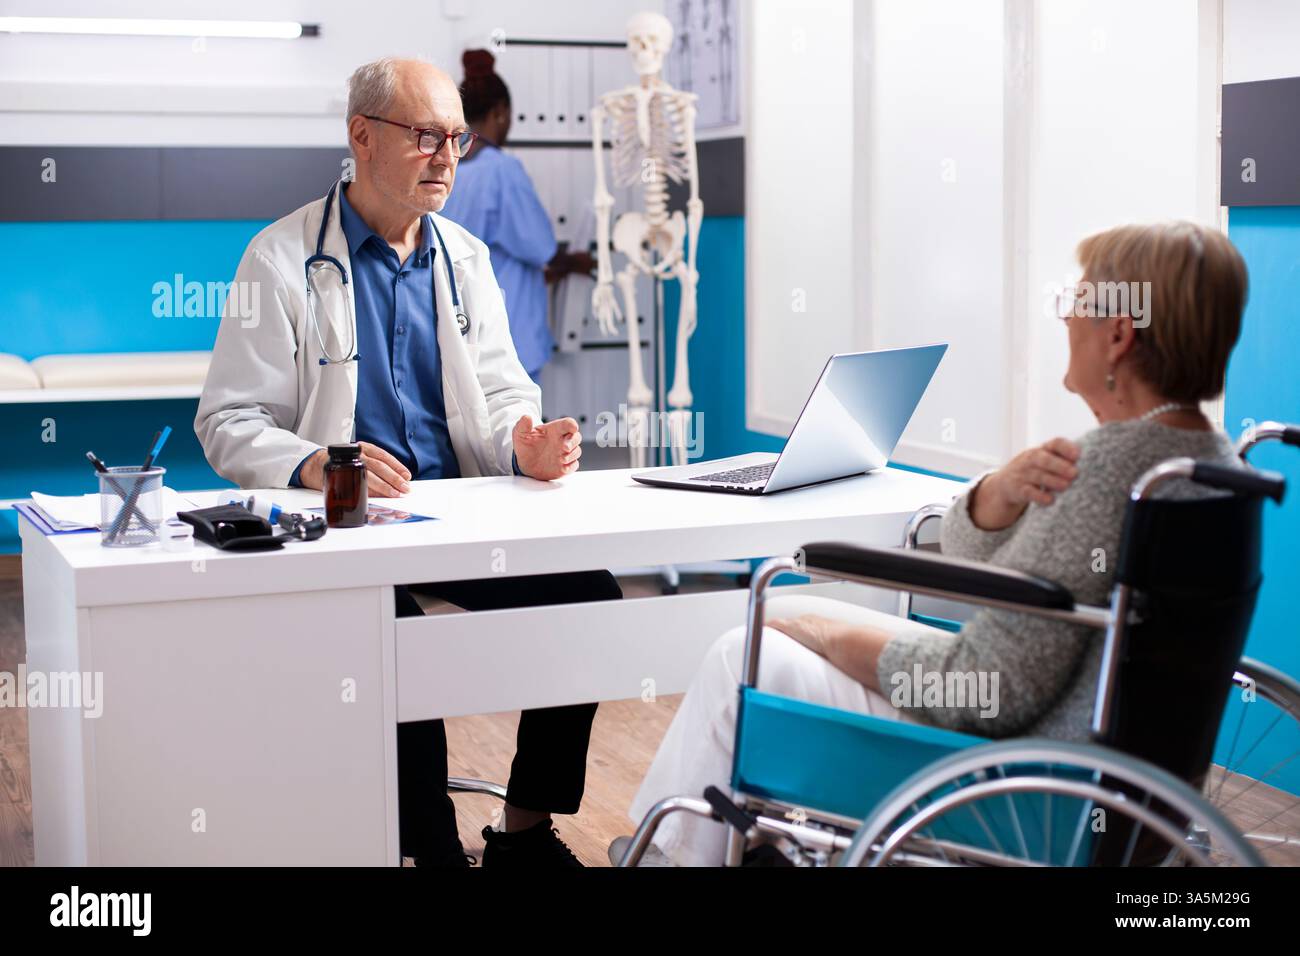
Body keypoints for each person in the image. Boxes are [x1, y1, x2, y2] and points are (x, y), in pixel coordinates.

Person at [615, 221, 1249, 866]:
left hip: (1023, 781)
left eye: (1074, 303)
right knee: (779, 620)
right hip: (1118, 784)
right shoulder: (1206, 463)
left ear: (1118, 334)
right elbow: (1008, 587)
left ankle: (673, 856)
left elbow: (988, 688)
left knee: (739, 650)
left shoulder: (1106, 473)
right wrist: (993, 496)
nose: (1065, 320)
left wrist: (834, 636)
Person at [195, 56, 622, 868]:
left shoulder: (464, 256)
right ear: (362, 136)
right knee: (386, 637)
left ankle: (524, 835)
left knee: (587, 601)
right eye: (427, 137)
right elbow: (227, 421)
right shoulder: (280, 258)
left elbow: (501, 393)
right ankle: (430, 848)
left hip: (458, 516)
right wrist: (315, 463)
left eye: (457, 139)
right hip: (348, 528)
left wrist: (520, 442)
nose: (448, 158)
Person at [439, 48, 595, 382]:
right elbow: (540, 247)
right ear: (500, 112)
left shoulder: (446, 168)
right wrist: (575, 262)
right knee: (517, 428)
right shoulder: (501, 171)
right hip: (507, 332)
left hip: (456, 327)